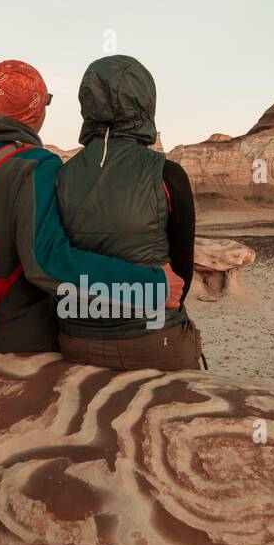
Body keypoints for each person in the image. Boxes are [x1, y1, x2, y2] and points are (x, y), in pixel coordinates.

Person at [0, 59, 183, 354]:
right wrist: (152, 288)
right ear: (36, 109)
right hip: (13, 337)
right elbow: (48, 263)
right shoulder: (36, 165)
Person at [53, 55, 201, 370]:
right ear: (146, 101)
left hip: (75, 338)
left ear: (87, 103)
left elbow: (58, 258)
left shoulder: (62, 175)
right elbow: (183, 278)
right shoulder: (167, 173)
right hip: (152, 339)